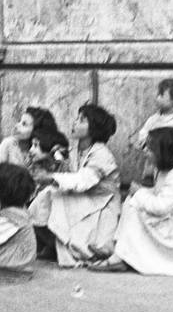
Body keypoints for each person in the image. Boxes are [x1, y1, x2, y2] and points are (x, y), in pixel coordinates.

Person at [90, 128, 173, 275]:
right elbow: (161, 195)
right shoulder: (163, 170)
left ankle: (119, 258)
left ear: (165, 152)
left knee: (135, 206)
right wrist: (141, 193)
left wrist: (139, 193)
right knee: (132, 202)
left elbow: (161, 207)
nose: (146, 151)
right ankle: (118, 248)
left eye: (151, 149)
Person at [30, 104, 121, 267]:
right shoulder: (73, 150)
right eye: (76, 118)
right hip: (83, 200)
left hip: (102, 206)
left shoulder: (102, 154)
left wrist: (50, 177)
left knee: (54, 195)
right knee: (48, 195)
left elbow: (83, 180)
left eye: (81, 120)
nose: (74, 123)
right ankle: (51, 243)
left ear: (93, 129)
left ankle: (61, 246)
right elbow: (62, 166)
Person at [0, 107, 68, 227]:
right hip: (10, 200)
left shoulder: (42, 150)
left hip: (37, 205)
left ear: (37, 130)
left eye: (24, 124)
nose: (17, 126)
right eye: (19, 122)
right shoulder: (9, 144)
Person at [131, 78, 173, 185]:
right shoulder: (154, 118)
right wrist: (143, 144)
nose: (157, 98)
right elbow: (143, 135)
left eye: (162, 95)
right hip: (152, 165)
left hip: (170, 169)